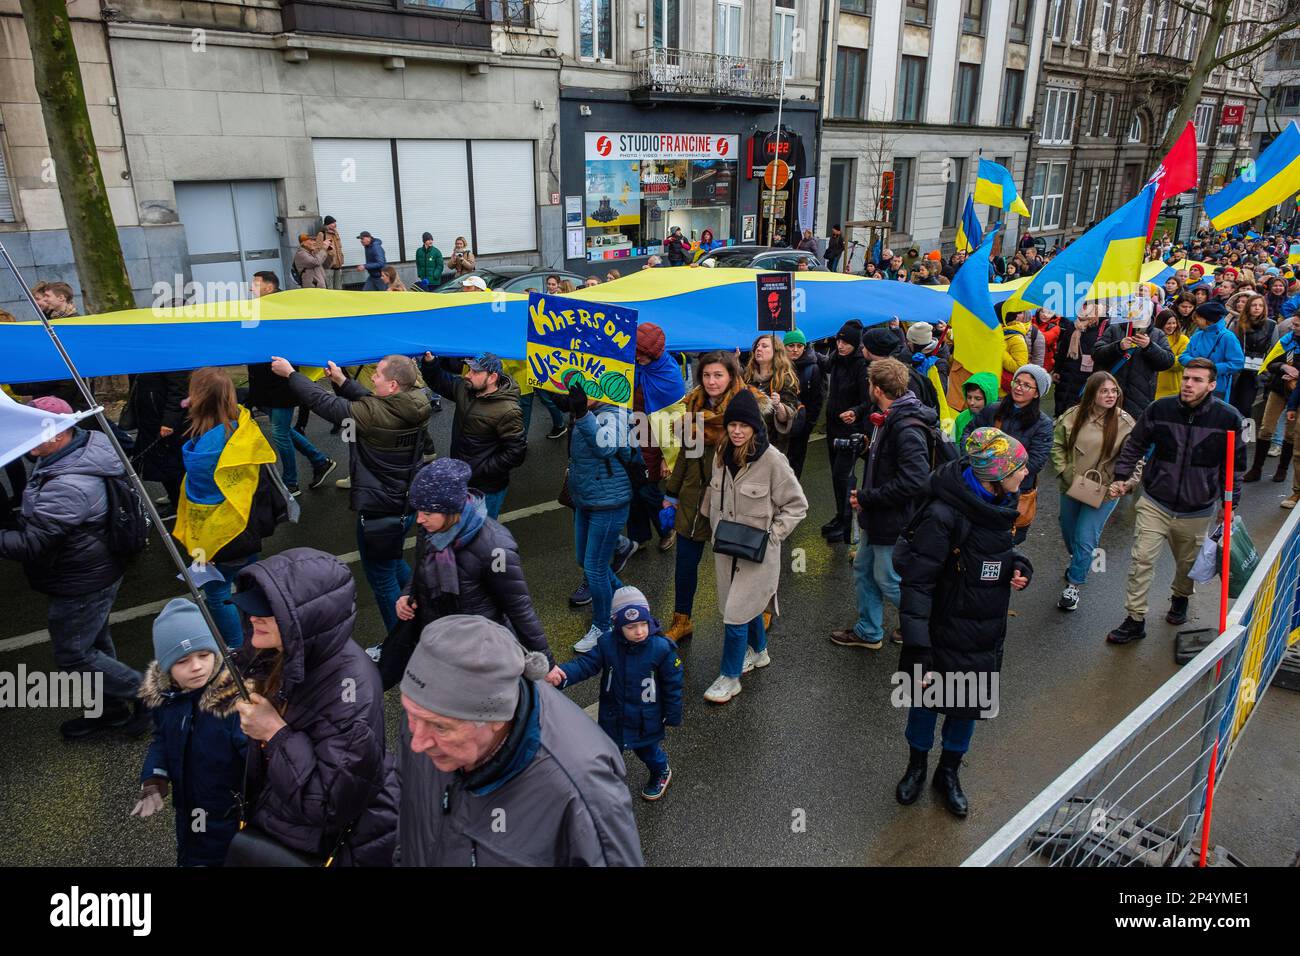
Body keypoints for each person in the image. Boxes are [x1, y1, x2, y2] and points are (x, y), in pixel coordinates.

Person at [396, 615, 644, 866]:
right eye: (411, 714)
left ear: (497, 718)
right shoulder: (423, 718)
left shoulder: (583, 792)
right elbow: (407, 814)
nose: (417, 743)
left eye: (441, 727)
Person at [892, 428, 1033, 818]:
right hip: (940, 632)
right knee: (925, 703)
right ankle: (916, 767)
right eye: (1019, 467)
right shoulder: (943, 514)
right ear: (994, 472)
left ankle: (948, 774)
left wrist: (1018, 567)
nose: (1025, 473)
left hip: (983, 630)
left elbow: (999, 556)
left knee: (966, 706)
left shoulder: (1000, 502)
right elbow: (917, 584)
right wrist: (919, 647)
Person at [230, 549, 399, 866]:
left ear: (304, 621)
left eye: (267, 611)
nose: (252, 617)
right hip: (283, 825)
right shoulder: (284, 656)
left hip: (319, 846)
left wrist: (274, 732)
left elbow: (326, 804)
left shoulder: (352, 693)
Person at [0, 396, 148, 740]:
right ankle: (111, 710)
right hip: (94, 569)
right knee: (94, 642)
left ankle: (147, 696)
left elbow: (31, 544)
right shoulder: (76, 448)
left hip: (81, 579)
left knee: (74, 655)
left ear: (56, 434)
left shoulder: (69, 483)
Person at [273, 353, 431, 634]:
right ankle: (425, 609)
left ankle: (401, 643)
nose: (373, 377)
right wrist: (342, 380)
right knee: (393, 563)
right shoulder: (417, 401)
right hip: (406, 504)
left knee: (381, 579)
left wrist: (290, 375)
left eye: (378, 375)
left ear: (393, 385)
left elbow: (324, 403)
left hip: (379, 511)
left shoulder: (371, 415)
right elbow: (376, 404)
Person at [1106, 358, 1245, 643]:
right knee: (1141, 559)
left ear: (1212, 385)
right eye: (1186, 378)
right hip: (1156, 500)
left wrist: (1230, 506)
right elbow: (1136, 443)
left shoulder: (1228, 418)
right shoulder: (1160, 409)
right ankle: (1135, 618)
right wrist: (1121, 475)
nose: (1188, 384)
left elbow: (1235, 466)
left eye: (1197, 380)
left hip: (1197, 508)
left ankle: (1181, 596)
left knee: (1187, 566)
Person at [382, 457, 552, 674]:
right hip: (438, 640)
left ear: (451, 510)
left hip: (478, 652)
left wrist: (547, 662)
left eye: (426, 513)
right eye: (418, 511)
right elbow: (421, 565)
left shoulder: (495, 547)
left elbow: (519, 608)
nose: (419, 520)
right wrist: (408, 594)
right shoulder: (432, 528)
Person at [700, 389, 808, 703]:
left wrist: (773, 536)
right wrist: (710, 525)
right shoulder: (722, 452)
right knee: (740, 607)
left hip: (758, 553)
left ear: (756, 427)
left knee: (734, 613)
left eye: (743, 425)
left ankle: (730, 677)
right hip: (726, 548)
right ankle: (759, 651)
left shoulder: (773, 460)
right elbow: (714, 492)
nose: (736, 431)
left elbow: (797, 506)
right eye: (731, 424)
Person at [173, 367, 292, 647]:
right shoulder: (244, 429)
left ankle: (238, 649)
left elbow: (200, 502)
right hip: (249, 526)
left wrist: (204, 546)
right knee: (248, 584)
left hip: (221, 537)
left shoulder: (203, 451)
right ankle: (262, 639)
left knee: (219, 594)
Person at [663, 352, 773, 642]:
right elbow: (687, 457)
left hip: (731, 502)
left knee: (740, 564)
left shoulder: (747, 409)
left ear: (731, 376)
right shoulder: (693, 407)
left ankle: (756, 610)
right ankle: (681, 620)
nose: (711, 382)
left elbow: (760, 461)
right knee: (685, 563)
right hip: (693, 497)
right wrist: (671, 494)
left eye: (718, 375)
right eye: (707, 375)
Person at [830, 358, 937, 650]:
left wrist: (867, 497)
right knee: (864, 570)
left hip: (893, 519)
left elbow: (915, 480)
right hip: (876, 517)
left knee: (888, 579)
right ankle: (868, 631)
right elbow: (891, 464)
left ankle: (930, 621)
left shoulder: (905, 426)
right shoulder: (888, 417)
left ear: (876, 388)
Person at [132, 598, 246, 866]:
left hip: (229, 819)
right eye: (183, 661)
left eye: (204, 655)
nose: (196, 666)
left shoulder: (235, 704)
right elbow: (162, 740)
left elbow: (259, 763)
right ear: (166, 668)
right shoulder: (166, 700)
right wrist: (154, 778)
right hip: (190, 812)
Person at [549, 586, 682, 801]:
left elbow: (672, 684)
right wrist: (563, 675)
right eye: (631, 627)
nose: (639, 631)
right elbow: (586, 665)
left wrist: (672, 713)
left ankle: (661, 770)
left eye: (642, 624)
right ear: (617, 625)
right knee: (609, 751)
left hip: (644, 717)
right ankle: (607, 781)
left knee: (647, 751)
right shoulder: (607, 645)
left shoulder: (661, 649)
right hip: (614, 714)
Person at [566, 376, 642, 654]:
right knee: (583, 560)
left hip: (610, 502)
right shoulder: (590, 411)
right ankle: (628, 601)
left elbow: (605, 446)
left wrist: (583, 415)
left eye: (587, 389)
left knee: (595, 567)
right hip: (587, 498)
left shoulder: (617, 413)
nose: (582, 394)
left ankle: (603, 626)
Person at [1051, 372, 1137, 612]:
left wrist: (1124, 483)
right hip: (1072, 485)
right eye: (1104, 391)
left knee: (1085, 536)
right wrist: (1066, 472)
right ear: (1092, 393)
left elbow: (1135, 459)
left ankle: (1074, 585)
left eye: (1114, 391)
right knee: (1068, 530)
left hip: (1104, 490)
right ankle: (1079, 560)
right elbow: (1056, 445)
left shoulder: (1126, 423)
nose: (1110, 395)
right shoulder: (1072, 416)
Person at [244, 272, 336, 496]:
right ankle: (319, 460)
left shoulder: (282, 310)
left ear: (269, 287)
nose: (251, 288)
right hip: (263, 386)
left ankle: (290, 482)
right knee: (282, 430)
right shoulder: (256, 310)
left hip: (280, 385)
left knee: (279, 433)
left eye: (255, 284)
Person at [418, 351, 525, 519]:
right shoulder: (465, 389)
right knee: (462, 530)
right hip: (462, 481)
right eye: (469, 370)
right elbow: (438, 381)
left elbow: (516, 453)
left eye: (475, 372)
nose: (468, 375)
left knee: (481, 535)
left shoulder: (508, 410)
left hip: (487, 490)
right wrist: (430, 363)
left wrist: (480, 469)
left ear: (492, 377)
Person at [964, 364, 1053, 544]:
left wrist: (999, 475)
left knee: (1005, 541)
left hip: (1015, 490)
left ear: (1037, 393)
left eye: (1026, 385)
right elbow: (969, 433)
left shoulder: (1043, 424)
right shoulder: (993, 409)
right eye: (1017, 382)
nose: (1019, 387)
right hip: (981, 486)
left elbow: (1036, 461)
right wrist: (971, 459)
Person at [627, 321, 686, 554]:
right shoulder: (636, 368)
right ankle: (638, 537)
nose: (637, 358)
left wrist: (667, 458)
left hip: (654, 444)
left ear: (652, 353)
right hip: (632, 437)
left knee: (647, 491)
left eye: (640, 354)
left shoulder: (668, 375)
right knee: (632, 490)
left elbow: (676, 423)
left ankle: (666, 529)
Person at [821, 322, 870, 543]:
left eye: (846, 342)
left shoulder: (861, 365)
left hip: (851, 431)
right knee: (835, 475)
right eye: (838, 341)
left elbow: (867, 400)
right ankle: (840, 516)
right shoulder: (837, 359)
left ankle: (847, 522)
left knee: (844, 476)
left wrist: (855, 412)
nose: (841, 346)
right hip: (833, 427)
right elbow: (824, 365)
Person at [121, 368, 190, 515]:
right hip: (150, 420)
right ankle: (175, 498)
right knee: (162, 465)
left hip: (167, 424)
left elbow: (179, 391)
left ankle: (180, 504)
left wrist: (169, 420)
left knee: (172, 466)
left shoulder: (170, 359)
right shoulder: (144, 358)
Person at [1090, 309, 1175, 417]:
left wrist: (1149, 346)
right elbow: (1096, 354)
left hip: (1140, 398)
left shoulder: (1157, 334)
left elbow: (1168, 362)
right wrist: (1118, 347)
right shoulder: (1114, 329)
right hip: (1111, 393)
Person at [1251, 321, 1300, 484]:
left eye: (1298, 325)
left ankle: (1282, 470)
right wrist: (1284, 367)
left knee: (1290, 434)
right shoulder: (1286, 340)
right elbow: (1270, 363)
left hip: (1297, 393)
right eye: (1294, 324)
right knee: (1266, 428)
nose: (1294, 328)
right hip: (1278, 388)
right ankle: (1256, 469)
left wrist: (1296, 376)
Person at [743, 333, 799, 454]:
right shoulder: (748, 377)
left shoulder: (784, 379)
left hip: (772, 444)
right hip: (748, 441)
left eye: (764, 346)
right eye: (757, 346)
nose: (759, 349)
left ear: (776, 351)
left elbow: (788, 417)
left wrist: (779, 406)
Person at [1182, 300, 1245, 401]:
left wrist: (1210, 369)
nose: (1195, 321)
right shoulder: (1197, 335)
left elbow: (1237, 363)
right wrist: (1196, 364)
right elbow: (1184, 356)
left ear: (1208, 319)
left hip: (1216, 386)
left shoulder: (1228, 337)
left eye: (1197, 318)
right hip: (1193, 383)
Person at [1226, 292, 1275, 418]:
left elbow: (1274, 350)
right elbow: (1229, 345)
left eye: (1260, 305)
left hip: (1256, 371)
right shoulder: (1237, 323)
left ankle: (1245, 436)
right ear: (1248, 307)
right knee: (1230, 405)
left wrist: (1267, 372)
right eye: (1254, 305)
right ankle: (1229, 435)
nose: (1257, 308)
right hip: (1237, 368)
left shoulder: (1271, 325)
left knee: (1246, 407)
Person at [782, 329, 823, 478]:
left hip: (800, 426)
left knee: (795, 464)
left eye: (799, 346)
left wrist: (807, 426)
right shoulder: (777, 367)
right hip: (779, 426)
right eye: (791, 345)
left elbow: (817, 400)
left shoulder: (813, 369)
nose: (795, 349)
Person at [1155, 308, 1191, 401]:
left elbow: (1182, 363)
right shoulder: (1153, 338)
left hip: (1173, 388)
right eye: (1168, 323)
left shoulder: (1183, 340)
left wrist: (1161, 360)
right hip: (1153, 387)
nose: (1172, 326)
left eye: (1174, 323)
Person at [953, 372, 997, 444]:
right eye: (969, 397)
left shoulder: (999, 420)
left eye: (978, 399)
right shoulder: (961, 418)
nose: (971, 403)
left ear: (989, 399)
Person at [319, 216, 345, 289]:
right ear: (328, 224)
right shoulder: (322, 234)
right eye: (333, 223)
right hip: (328, 265)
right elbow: (318, 249)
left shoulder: (336, 233)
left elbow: (339, 248)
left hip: (338, 265)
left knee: (338, 288)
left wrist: (341, 260)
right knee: (329, 287)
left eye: (335, 223)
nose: (335, 225)